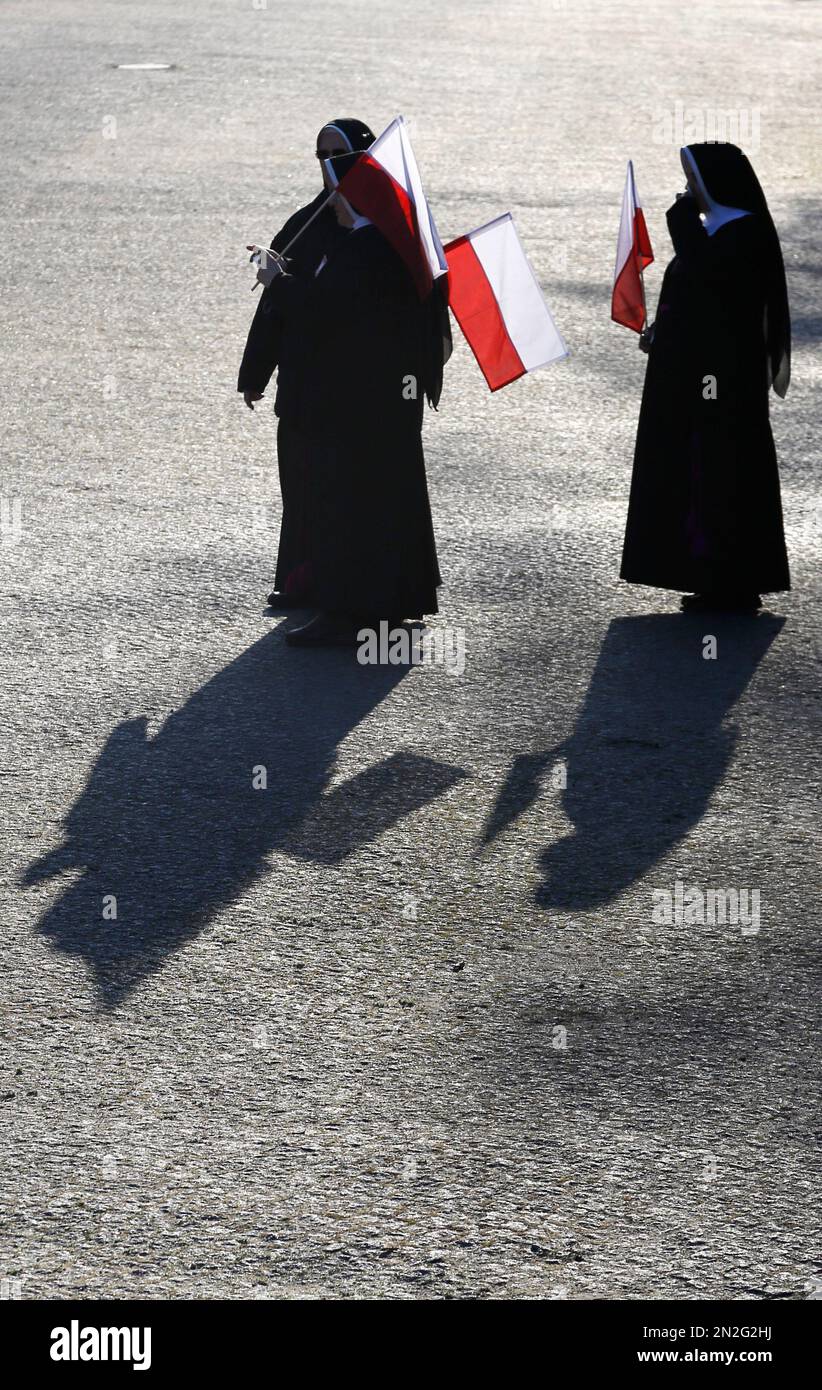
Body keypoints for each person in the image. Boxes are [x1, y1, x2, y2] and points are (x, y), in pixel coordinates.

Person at [238, 119, 450, 645]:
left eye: (341, 159)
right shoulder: (323, 227)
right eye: (321, 156)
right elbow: (289, 313)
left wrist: (279, 283)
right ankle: (340, 591)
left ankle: (354, 608)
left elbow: (330, 311)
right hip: (336, 396)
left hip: (361, 404)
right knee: (325, 496)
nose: (330, 189)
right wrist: (256, 370)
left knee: (355, 503)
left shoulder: (379, 247)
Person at [620, 142, 791, 612]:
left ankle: (732, 582)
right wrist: (663, 330)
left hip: (725, 380)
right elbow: (695, 297)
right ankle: (708, 575)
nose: (688, 189)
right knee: (698, 473)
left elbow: (715, 286)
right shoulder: (718, 230)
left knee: (724, 472)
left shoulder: (741, 233)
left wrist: (680, 225)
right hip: (697, 373)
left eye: (694, 179)